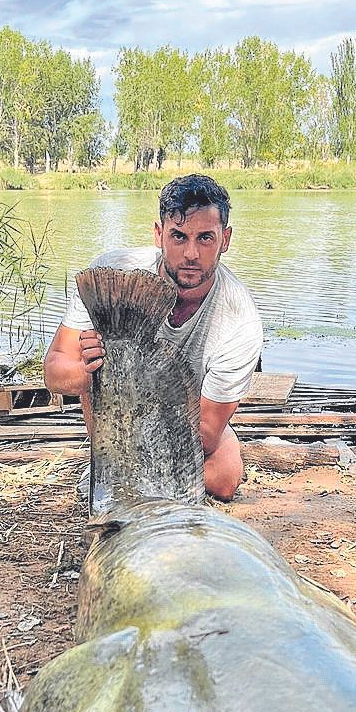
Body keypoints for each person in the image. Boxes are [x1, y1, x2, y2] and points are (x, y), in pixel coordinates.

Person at [43, 174, 263, 501]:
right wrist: (94, 371)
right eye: (178, 236)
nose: (191, 254)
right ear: (159, 234)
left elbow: (204, 435)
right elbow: (54, 372)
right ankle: (116, 466)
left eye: (205, 238)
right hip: (117, 416)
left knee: (225, 479)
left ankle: (128, 473)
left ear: (225, 239)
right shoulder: (113, 277)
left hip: (187, 415)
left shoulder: (240, 319)